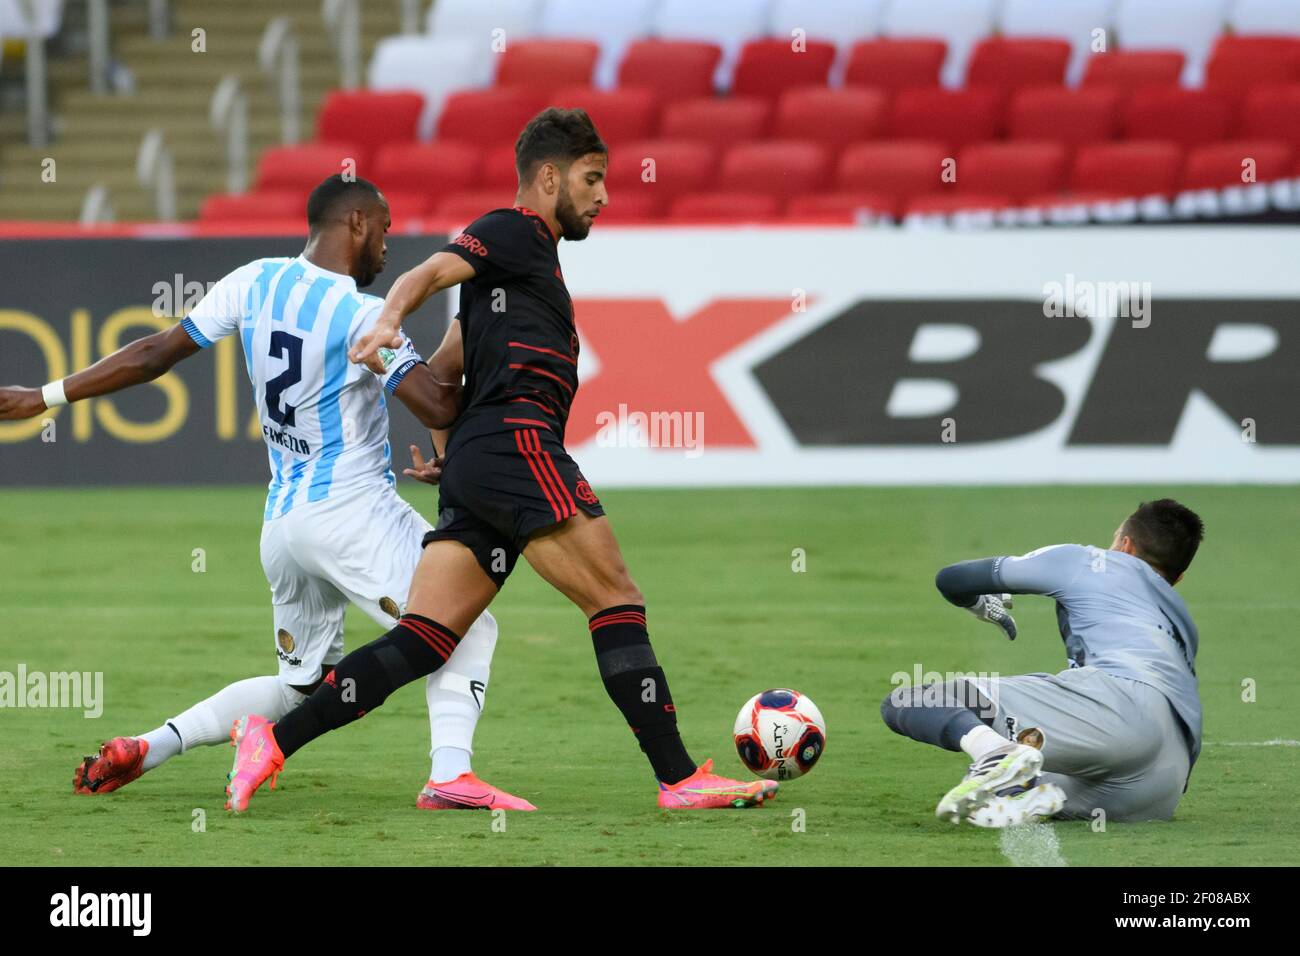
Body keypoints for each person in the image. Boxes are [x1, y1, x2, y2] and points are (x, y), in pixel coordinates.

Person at [225, 108, 779, 812]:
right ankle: (678, 777)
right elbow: (426, 271)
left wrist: (455, 462)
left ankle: (271, 742)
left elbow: (449, 379)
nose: (603, 195)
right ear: (548, 178)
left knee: (426, 637)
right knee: (615, 597)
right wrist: (389, 322)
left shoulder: (506, 281)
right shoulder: (517, 229)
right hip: (521, 446)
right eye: (592, 178)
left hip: (483, 463)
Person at [0, 174, 532, 811]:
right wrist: (468, 330)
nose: (388, 246)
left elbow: (152, 355)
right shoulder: (363, 314)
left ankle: (151, 744)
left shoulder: (254, 280)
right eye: (385, 228)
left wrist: (45, 396)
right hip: (351, 512)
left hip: (283, 528)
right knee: (464, 626)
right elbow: (438, 402)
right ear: (357, 222)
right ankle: (450, 776)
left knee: (302, 687)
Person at [881, 498, 1205, 827]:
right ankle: (1022, 792)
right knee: (1010, 791)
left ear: (1125, 545)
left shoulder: (1089, 561)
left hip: (1118, 710)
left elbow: (951, 580)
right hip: (1163, 780)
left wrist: (979, 602)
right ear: (1175, 579)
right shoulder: (1182, 624)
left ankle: (994, 752)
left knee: (909, 699)